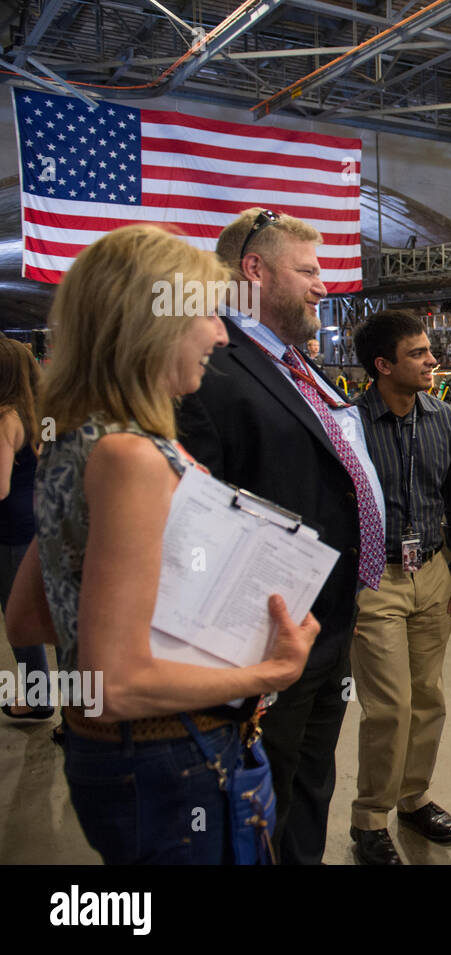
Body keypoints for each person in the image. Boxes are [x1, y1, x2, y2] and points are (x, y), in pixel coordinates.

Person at [4, 224, 318, 863]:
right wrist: (269, 670)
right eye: (206, 312)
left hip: (125, 758)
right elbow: (114, 681)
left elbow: (30, 615)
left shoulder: (80, 440)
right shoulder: (132, 458)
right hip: (174, 757)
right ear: (151, 322)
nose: (222, 334)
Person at [177, 208, 386, 865]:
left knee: (310, 783)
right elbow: (194, 515)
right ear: (255, 271)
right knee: (268, 792)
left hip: (329, 621)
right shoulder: (212, 367)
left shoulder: (299, 364)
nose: (323, 284)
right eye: (309, 271)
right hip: (265, 633)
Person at [346, 310, 451, 865]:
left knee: (428, 696)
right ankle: (369, 819)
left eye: (429, 351)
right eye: (419, 354)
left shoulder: (443, 420)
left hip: (431, 571)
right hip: (374, 579)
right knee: (390, 705)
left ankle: (412, 796)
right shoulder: (348, 424)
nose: (432, 360)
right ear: (383, 366)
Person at [0, 339, 53, 720]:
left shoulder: (4, 417)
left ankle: (37, 700)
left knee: (18, 620)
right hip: (36, 521)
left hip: (10, 530)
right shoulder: (37, 412)